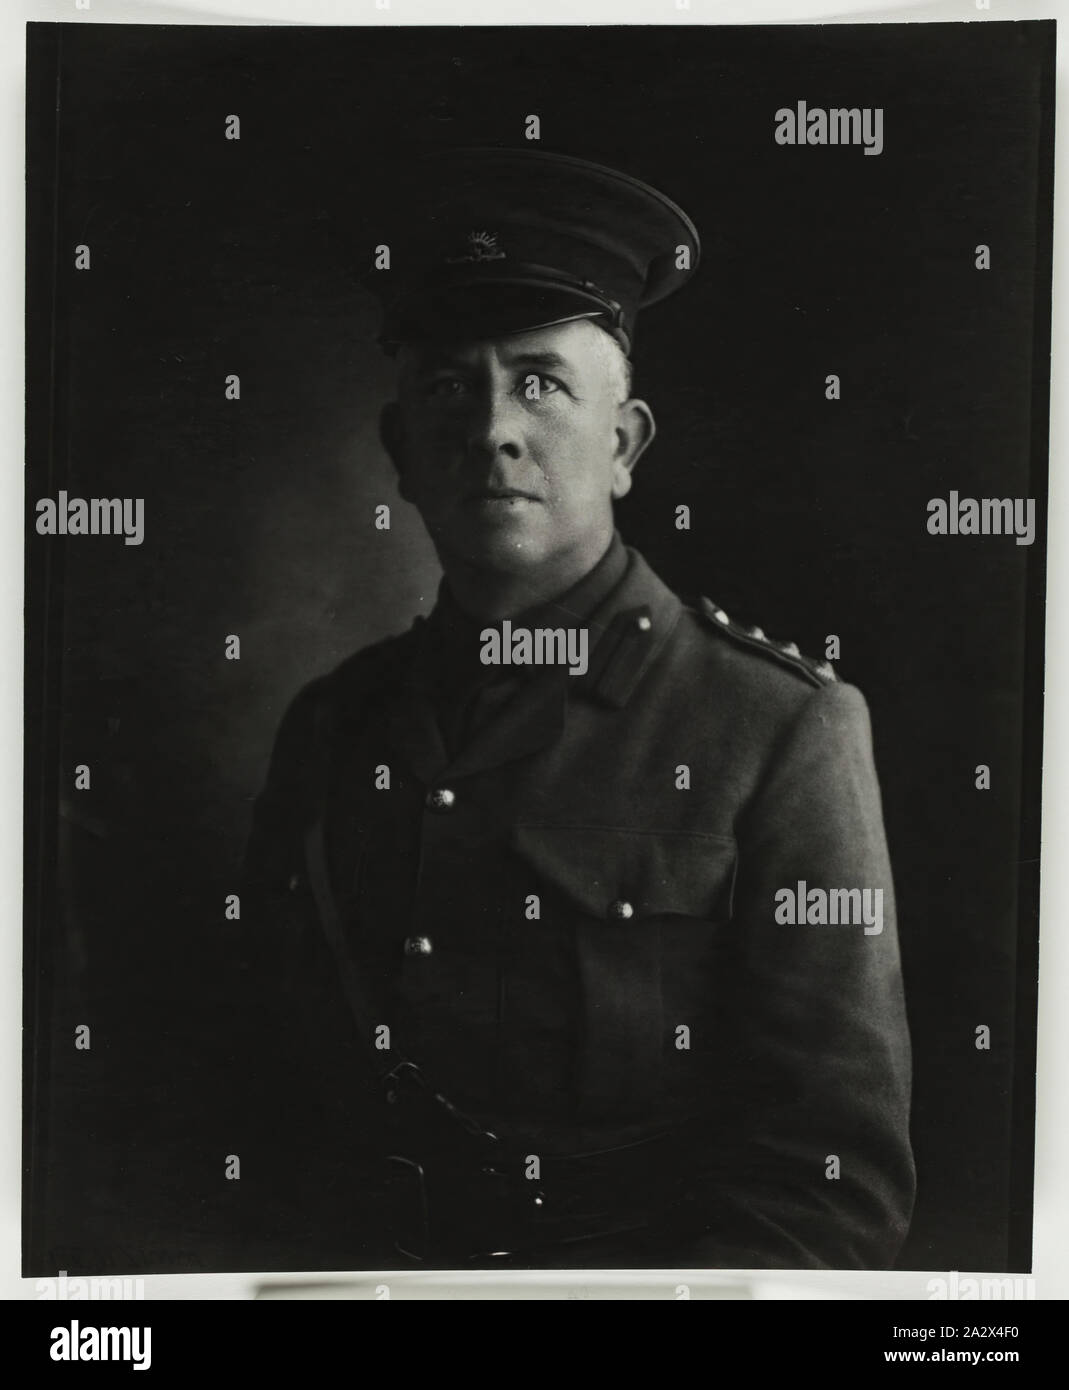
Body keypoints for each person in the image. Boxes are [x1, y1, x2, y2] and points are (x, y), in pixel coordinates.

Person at [241, 147, 914, 1270]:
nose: (493, 427)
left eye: (540, 381)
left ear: (624, 443)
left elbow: (827, 1187)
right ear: (402, 451)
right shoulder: (331, 725)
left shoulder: (776, 728)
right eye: (452, 385)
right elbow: (256, 1108)